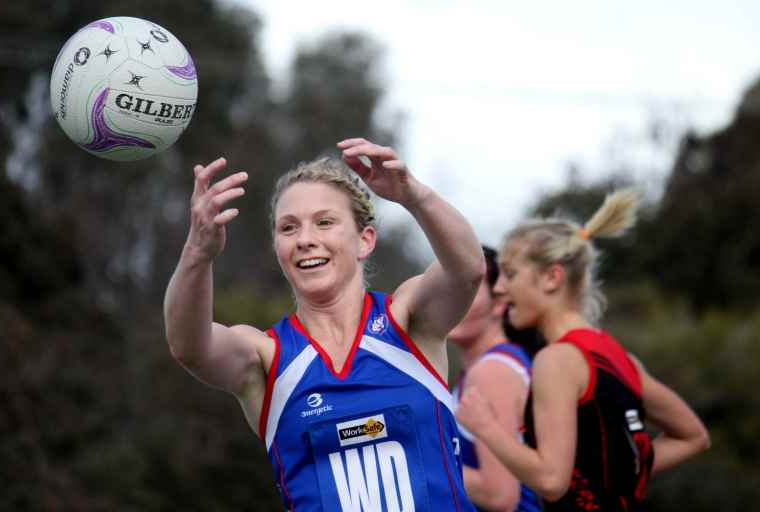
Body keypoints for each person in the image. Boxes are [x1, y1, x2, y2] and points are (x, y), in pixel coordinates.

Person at [163, 137, 484, 511]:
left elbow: (468, 270)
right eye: (288, 228)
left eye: (325, 222)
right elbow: (189, 346)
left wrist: (415, 195)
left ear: (365, 240)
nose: (305, 240)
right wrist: (197, 253)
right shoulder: (267, 357)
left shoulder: (406, 321)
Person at [456, 189, 710, 511]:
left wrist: (485, 427)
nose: (500, 288)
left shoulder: (557, 361)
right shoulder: (620, 358)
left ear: (552, 278)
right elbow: (693, 436)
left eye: (511, 273)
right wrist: (614, 474)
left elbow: (551, 481)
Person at [449, 245, 543, 512]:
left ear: (500, 302)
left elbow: (500, 495)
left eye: (466, 288)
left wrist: (420, 460)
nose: (450, 300)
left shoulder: (492, 372)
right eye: (445, 288)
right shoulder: (498, 364)